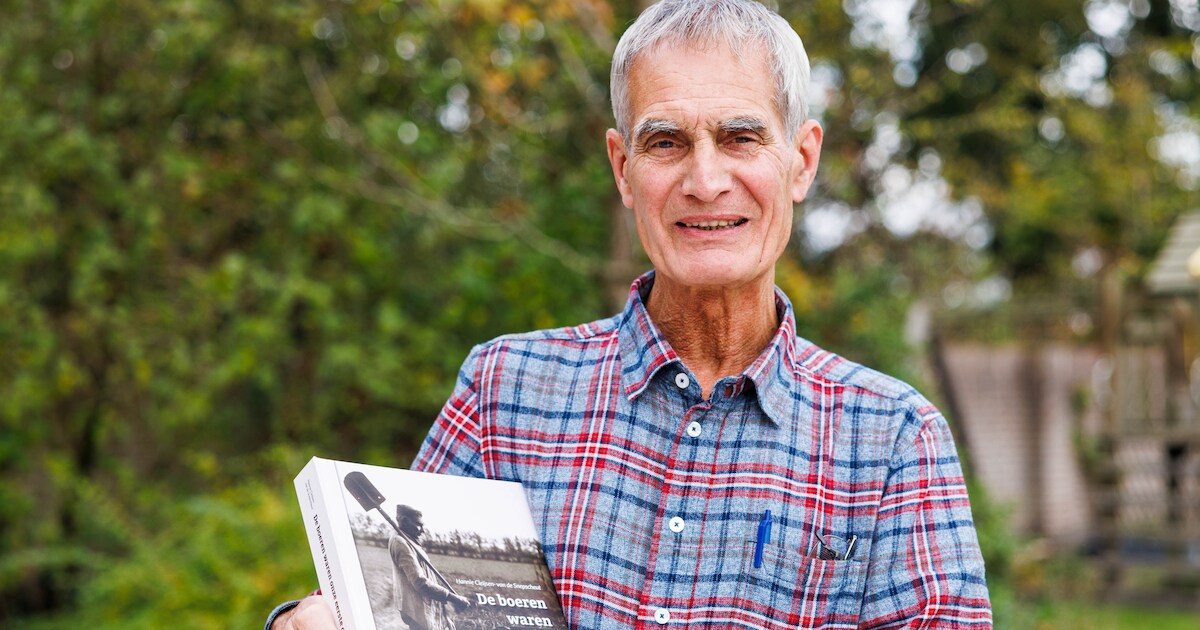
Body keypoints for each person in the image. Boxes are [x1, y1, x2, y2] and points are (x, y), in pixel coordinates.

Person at [268, 0, 992, 628]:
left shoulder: (894, 442)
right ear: (623, 169)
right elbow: (391, 605)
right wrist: (309, 620)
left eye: (740, 137)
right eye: (666, 142)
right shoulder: (503, 392)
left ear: (801, 161)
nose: (705, 180)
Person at [389, 505, 472, 630]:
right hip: (417, 611)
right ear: (405, 521)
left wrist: (445, 613)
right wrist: (453, 598)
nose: (422, 530)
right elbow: (420, 582)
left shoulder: (410, 540)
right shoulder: (400, 543)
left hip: (425, 606)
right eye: (419, 525)